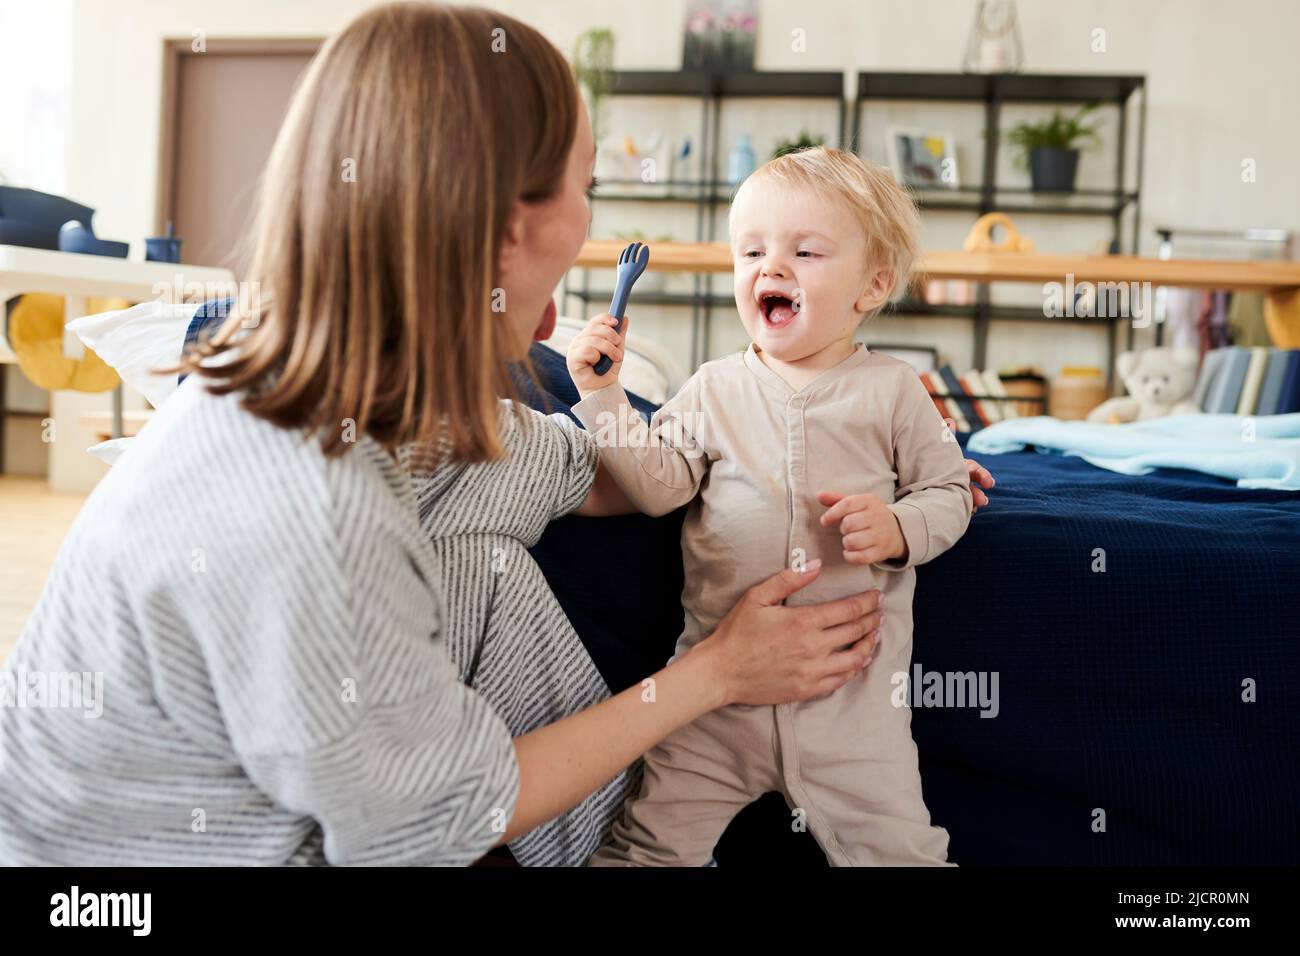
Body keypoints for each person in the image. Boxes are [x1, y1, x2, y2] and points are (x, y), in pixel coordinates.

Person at [0, 2, 895, 866]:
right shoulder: (305, 502)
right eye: (584, 189)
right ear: (509, 230)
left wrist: (824, 424)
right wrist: (718, 671)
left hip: (341, 799)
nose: (593, 224)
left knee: (483, 561)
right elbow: (437, 825)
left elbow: (587, 470)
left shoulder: (392, 407)